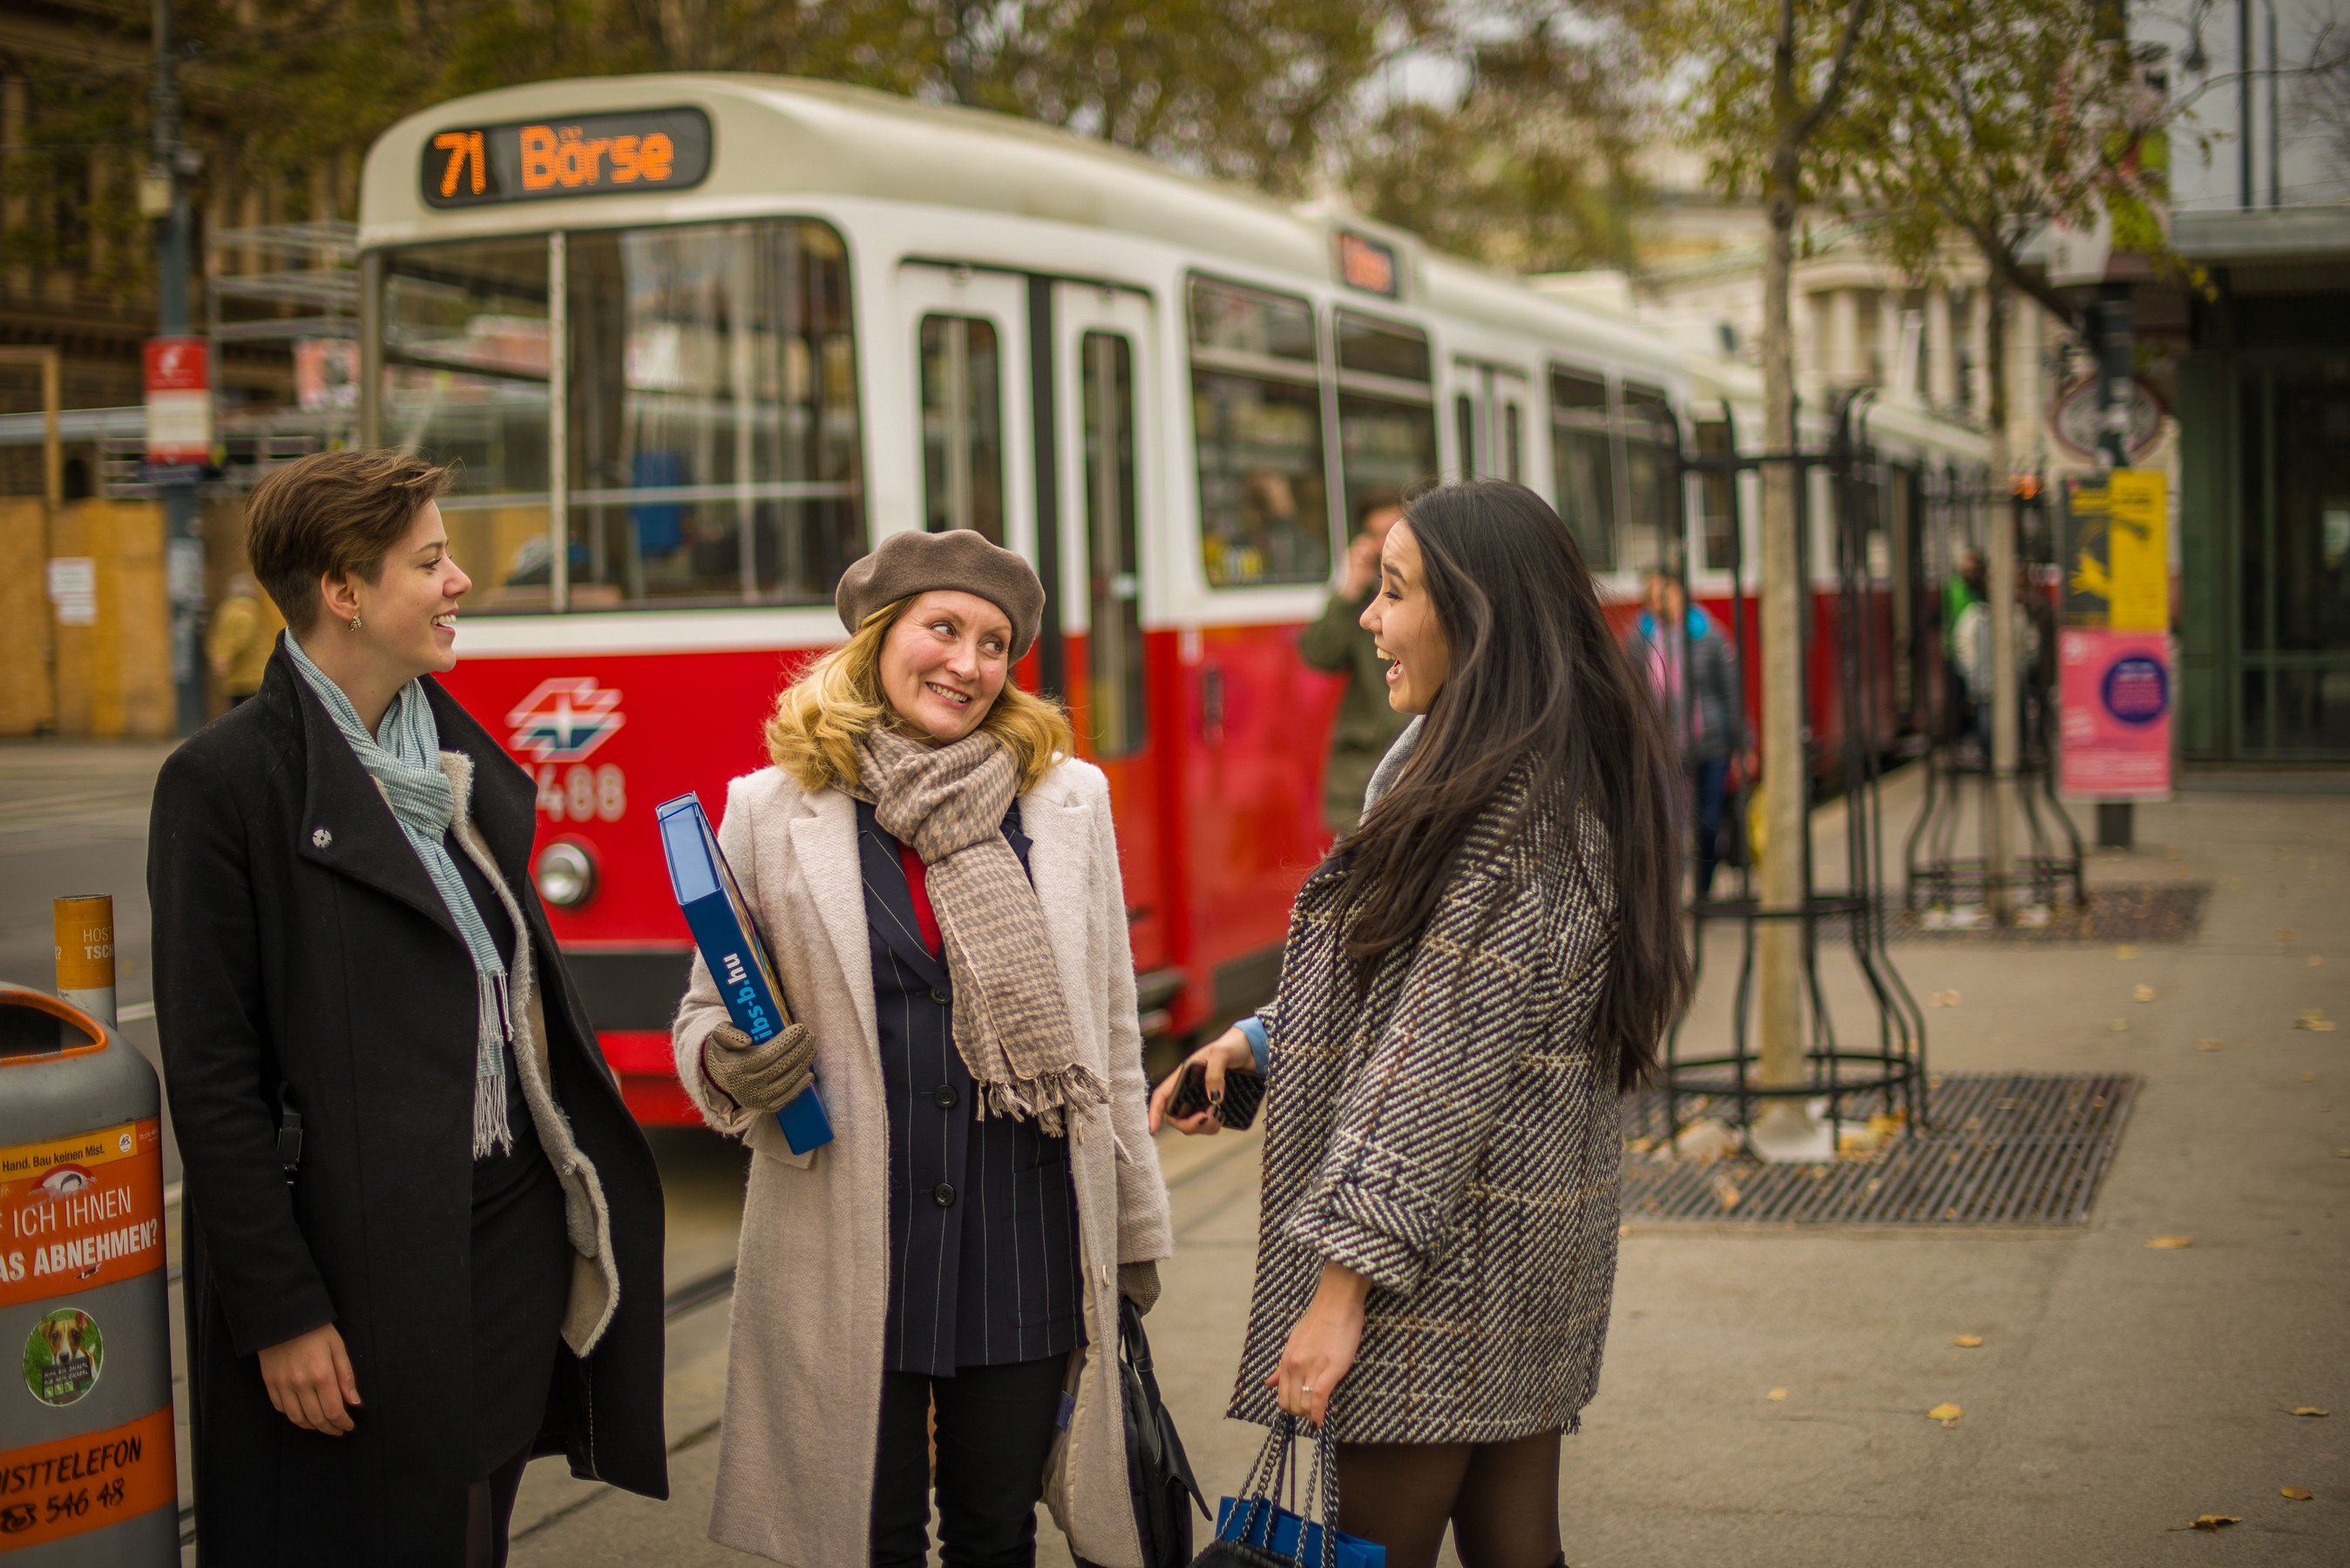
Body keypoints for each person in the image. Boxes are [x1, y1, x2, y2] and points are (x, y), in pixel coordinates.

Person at [1151, 480, 1690, 1568]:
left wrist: (1337, 1296)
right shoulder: (1530, 776)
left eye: (1394, 593)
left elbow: (1432, 1075)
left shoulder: (1501, 818)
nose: (1369, 618)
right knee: (1516, 1548)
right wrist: (1263, 1041)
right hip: (1510, 1252)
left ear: (1477, 616)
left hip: (1435, 1270)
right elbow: (1431, 997)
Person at [148, 449, 668, 1566]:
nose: (459, 581)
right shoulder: (225, 784)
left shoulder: (455, 761)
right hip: (359, 1266)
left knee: (475, 1531)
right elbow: (212, 1080)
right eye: (429, 562)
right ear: (344, 591)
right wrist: (281, 1310)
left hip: (508, 1235)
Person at [671, 527, 1175, 1568]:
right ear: (877, 638)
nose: (968, 664)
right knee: (869, 1536)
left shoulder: (1066, 801)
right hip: (853, 1230)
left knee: (998, 1531)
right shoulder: (770, 809)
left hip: (1025, 1227)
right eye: (943, 629)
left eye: (994, 645)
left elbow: (1113, 1031)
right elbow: (705, 1009)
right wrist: (726, 1060)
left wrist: (1133, 1231)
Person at [1622, 569, 1747, 898]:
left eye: (1664, 593)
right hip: (1662, 748)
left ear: (1680, 592)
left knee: (1708, 821)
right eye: (1651, 596)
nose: (1658, 601)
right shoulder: (1639, 640)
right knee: (1668, 826)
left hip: (1711, 744)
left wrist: (1742, 744)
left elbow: (1730, 691)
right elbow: (1629, 693)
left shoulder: (1708, 635)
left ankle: (1704, 891)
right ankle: (1671, 896)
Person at [1299, 488, 1413, 837]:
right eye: (1375, 535)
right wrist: (1349, 590)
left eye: (1390, 532)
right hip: (1361, 776)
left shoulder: (1427, 594)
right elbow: (1319, 655)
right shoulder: (1361, 600)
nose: (1383, 544)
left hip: (1414, 766)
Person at [205, 571, 274, 706]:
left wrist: (217, 654)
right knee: (250, 708)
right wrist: (224, 656)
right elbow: (242, 636)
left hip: (237, 675)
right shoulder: (248, 609)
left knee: (237, 707)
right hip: (250, 674)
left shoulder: (226, 609)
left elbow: (217, 635)